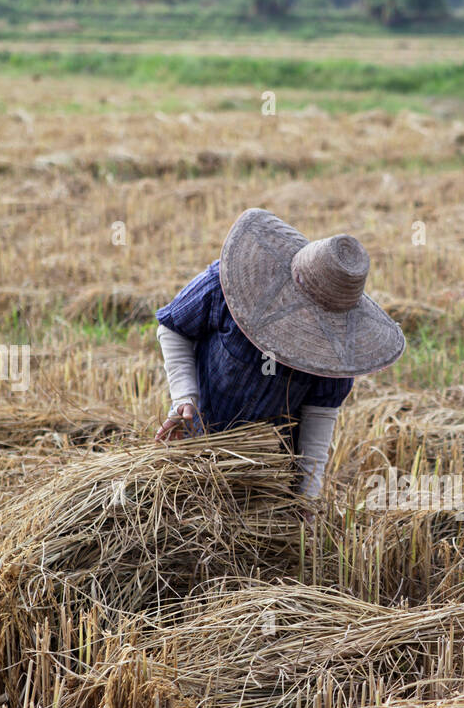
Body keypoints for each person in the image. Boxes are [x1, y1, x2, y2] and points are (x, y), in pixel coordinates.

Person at [154, 207, 405, 497]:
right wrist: (185, 397)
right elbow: (173, 327)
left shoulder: (337, 353)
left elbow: (318, 419)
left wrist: (307, 497)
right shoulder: (225, 283)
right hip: (195, 443)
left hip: (265, 472)